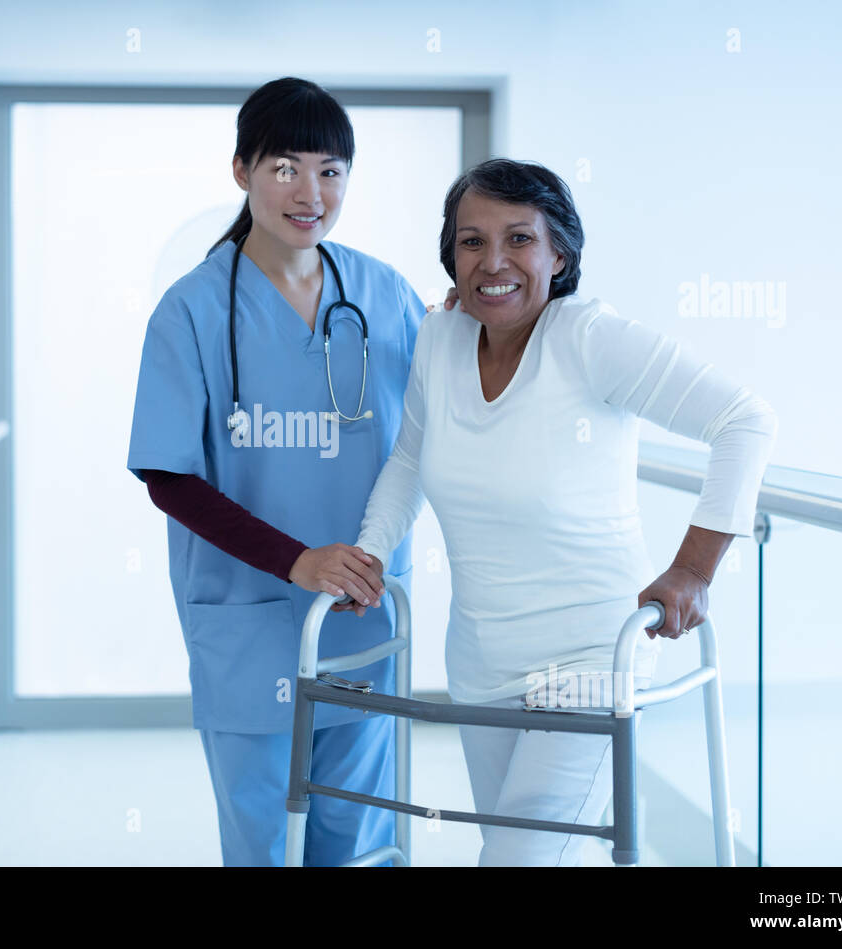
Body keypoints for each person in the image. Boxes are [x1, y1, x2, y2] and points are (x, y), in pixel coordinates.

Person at [345, 157, 778, 866]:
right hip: (481, 664)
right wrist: (369, 550)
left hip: (589, 662)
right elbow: (409, 460)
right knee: (527, 852)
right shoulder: (440, 339)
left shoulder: (587, 338)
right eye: (471, 241)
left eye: (519, 239)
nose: (493, 262)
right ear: (451, 256)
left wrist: (693, 570)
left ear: (560, 253)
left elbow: (744, 419)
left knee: (515, 860)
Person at [125, 77, 427, 866]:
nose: (309, 192)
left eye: (330, 170)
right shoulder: (191, 311)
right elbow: (170, 477)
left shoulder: (386, 295)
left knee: (358, 841)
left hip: (362, 615)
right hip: (249, 624)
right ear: (241, 172)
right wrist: (298, 561)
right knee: (262, 843)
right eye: (284, 167)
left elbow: (445, 424)